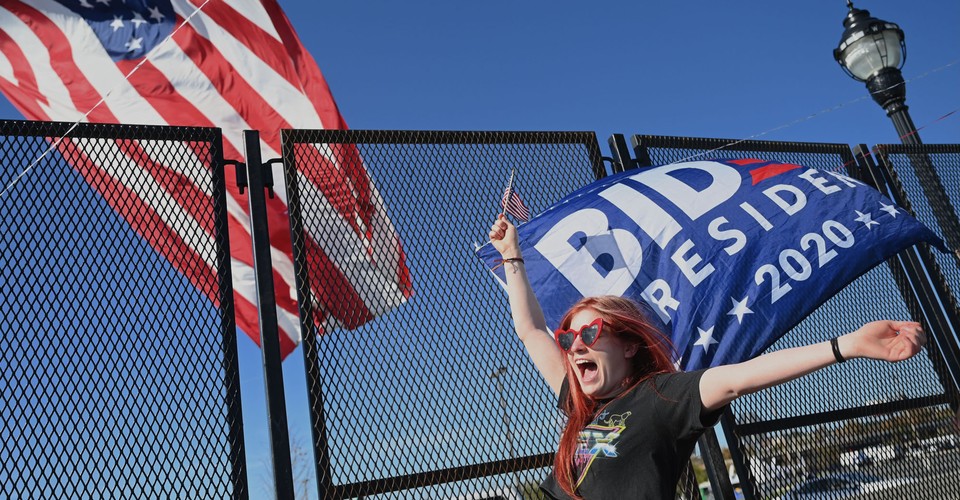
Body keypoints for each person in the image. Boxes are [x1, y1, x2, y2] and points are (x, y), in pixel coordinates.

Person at [487, 214, 927, 500]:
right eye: (568, 338)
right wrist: (512, 256)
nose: (574, 345)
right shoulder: (580, 404)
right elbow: (531, 330)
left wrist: (846, 346)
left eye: (590, 332)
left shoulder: (661, 397)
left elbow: (739, 378)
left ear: (629, 345)